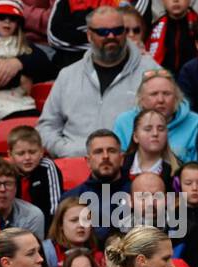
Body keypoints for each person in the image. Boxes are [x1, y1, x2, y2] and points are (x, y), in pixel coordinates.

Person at [36, 5, 150, 159]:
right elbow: (46, 126)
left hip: (124, 170)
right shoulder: (68, 75)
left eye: (117, 31)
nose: (111, 36)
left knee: (106, 185)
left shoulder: (150, 73)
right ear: (89, 35)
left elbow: (169, 121)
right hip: (74, 165)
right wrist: (64, 149)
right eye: (103, 32)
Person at [112, 69, 198, 166]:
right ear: (141, 99)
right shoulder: (124, 122)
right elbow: (117, 165)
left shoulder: (196, 123)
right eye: (154, 94)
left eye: (167, 94)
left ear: (176, 98)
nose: (161, 100)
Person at [0, 158, 43, 237]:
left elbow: (33, 248)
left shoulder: (32, 215)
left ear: (16, 187)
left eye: (8, 183)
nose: (2, 189)